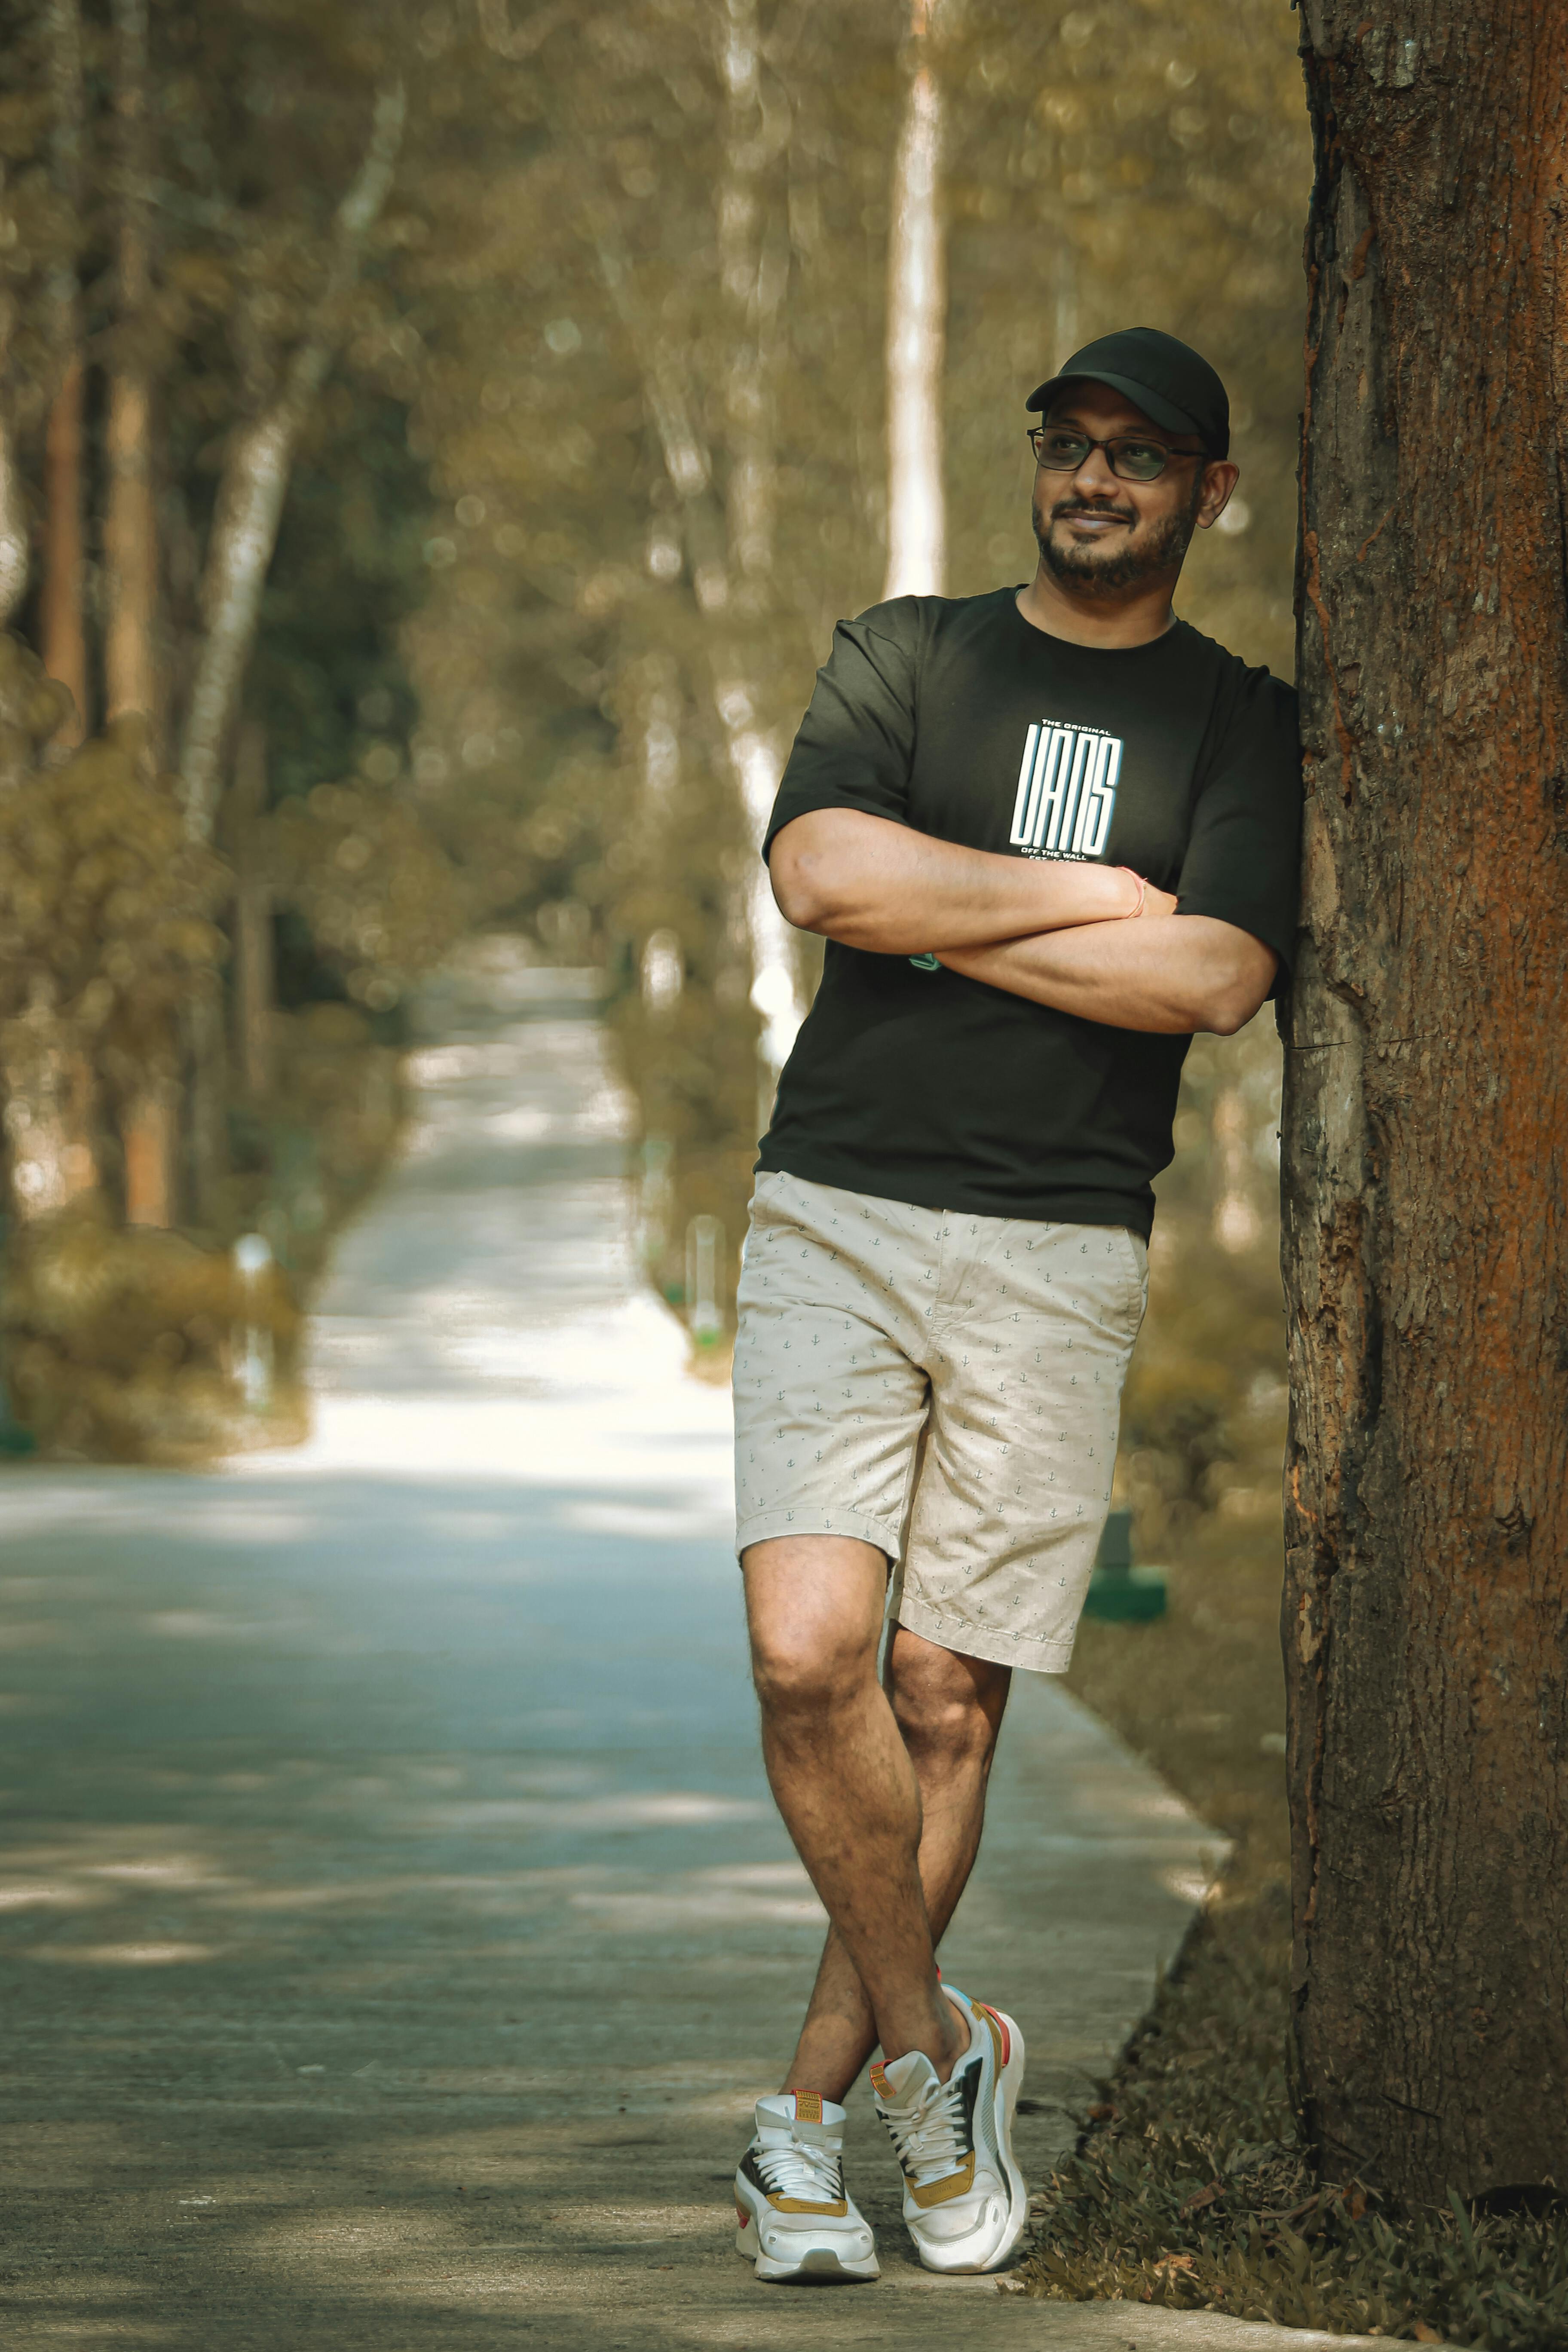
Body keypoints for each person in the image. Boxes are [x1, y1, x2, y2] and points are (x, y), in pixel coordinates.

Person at [728, 326, 1303, 2286]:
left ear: (1209, 491)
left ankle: (809, 2129)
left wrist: (951, 912)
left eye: (1140, 458)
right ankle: (940, 2051)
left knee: (942, 1698)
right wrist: (1087, 901)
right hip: (838, 1212)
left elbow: (1218, 980)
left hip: (1061, 1242)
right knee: (813, 1659)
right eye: (1068, 444)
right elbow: (818, 872)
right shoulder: (907, 653)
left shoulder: (1241, 719)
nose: (1094, 481)